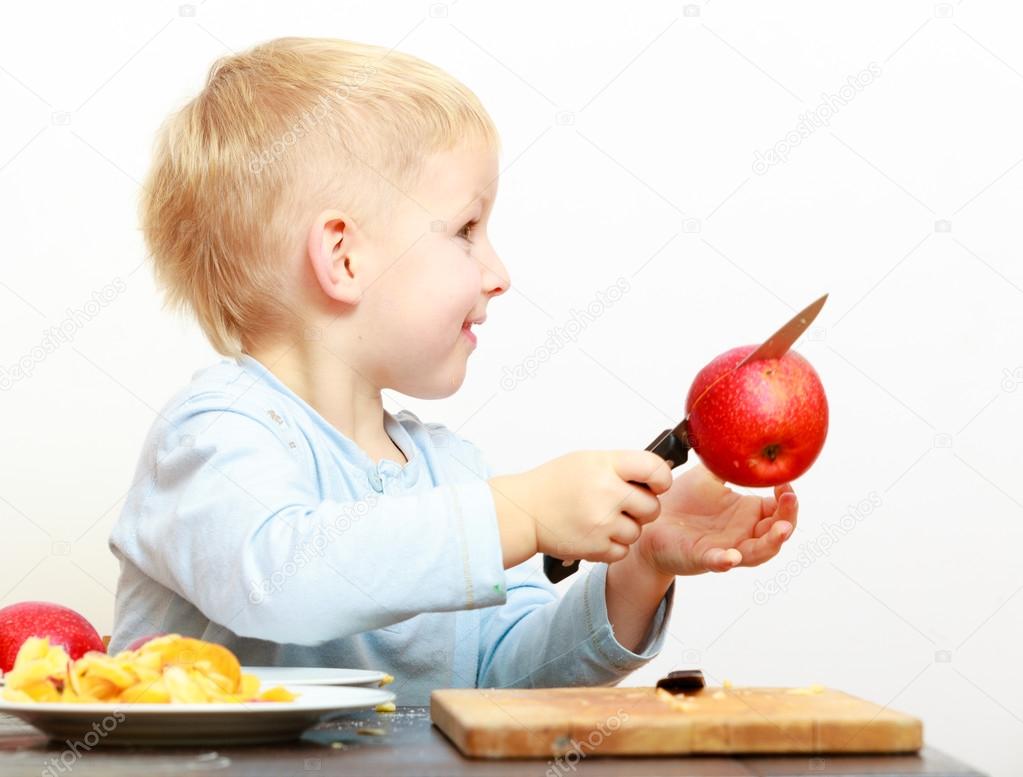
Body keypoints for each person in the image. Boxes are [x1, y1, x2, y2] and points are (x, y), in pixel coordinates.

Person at [108, 37, 799, 704]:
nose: (499, 273)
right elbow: (277, 579)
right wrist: (520, 512)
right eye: (467, 230)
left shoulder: (452, 473)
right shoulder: (211, 436)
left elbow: (509, 681)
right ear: (344, 257)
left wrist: (637, 567)